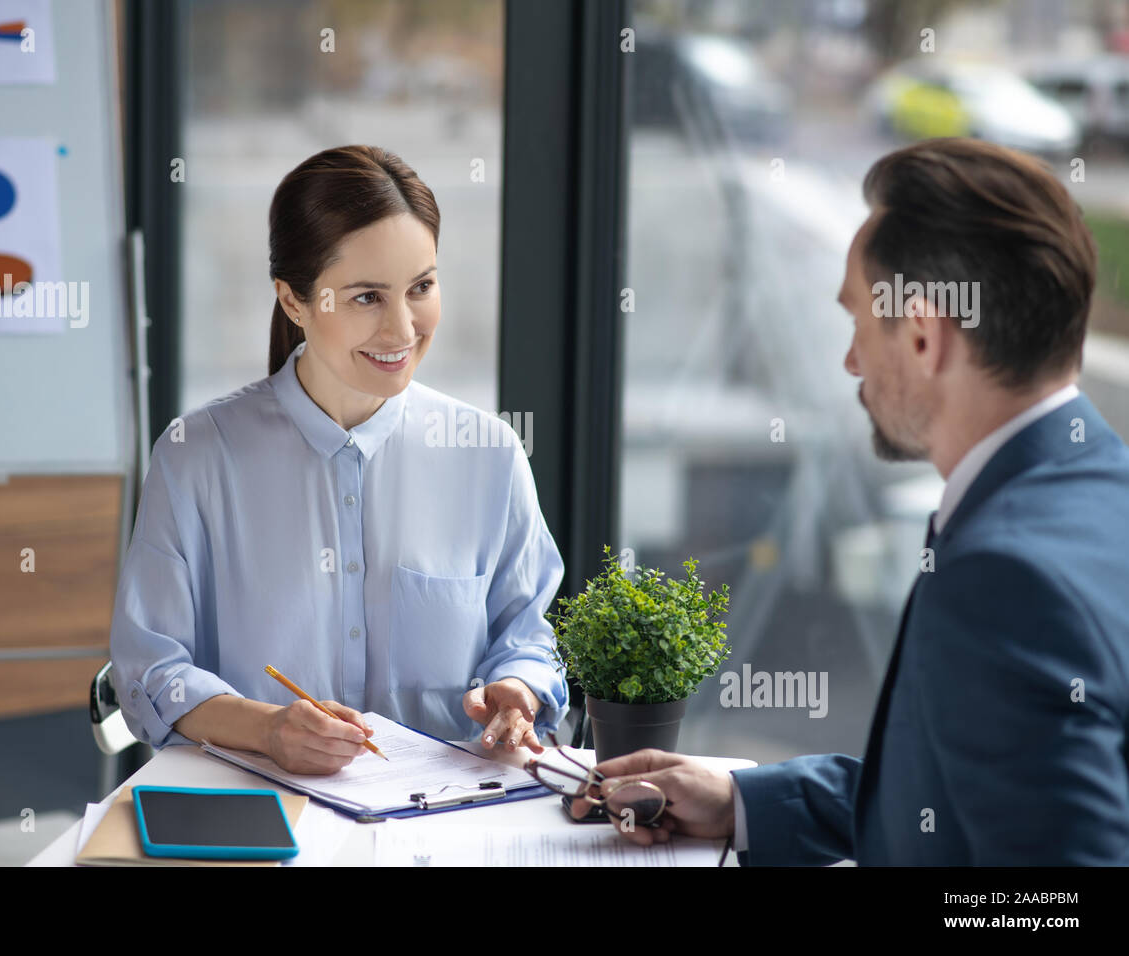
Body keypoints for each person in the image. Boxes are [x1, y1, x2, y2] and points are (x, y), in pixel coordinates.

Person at [574, 137, 1129, 865]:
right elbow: (975, 791)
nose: (850, 361)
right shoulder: (1100, 489)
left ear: (926, 337)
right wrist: (746, 802)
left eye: (858, 322)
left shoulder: (1006, 578)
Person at [110, 145, 568, 774]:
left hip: (442, 824)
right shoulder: (197, 456)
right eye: (365, 297)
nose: (404, 329)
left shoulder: (489, 454)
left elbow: (524, 634)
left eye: (422, 287)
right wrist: (268, 729)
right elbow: (151, 669)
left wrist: (515, 690)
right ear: (295, 301)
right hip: (263, 816)